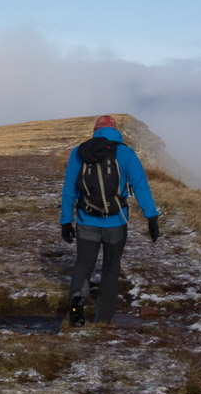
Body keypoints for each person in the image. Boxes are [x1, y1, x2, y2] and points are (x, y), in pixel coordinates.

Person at [59, 114, 160, 326]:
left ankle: (78, 297)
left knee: (83, 264)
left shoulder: (79, 153)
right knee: (111, 269)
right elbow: (140, 186)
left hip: (86, 220)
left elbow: (69, 190)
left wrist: (66, 221)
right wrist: (151, 216)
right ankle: (103, 318)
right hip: (117, 222)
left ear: (95, 130)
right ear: (116, 130)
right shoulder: (125, 153)